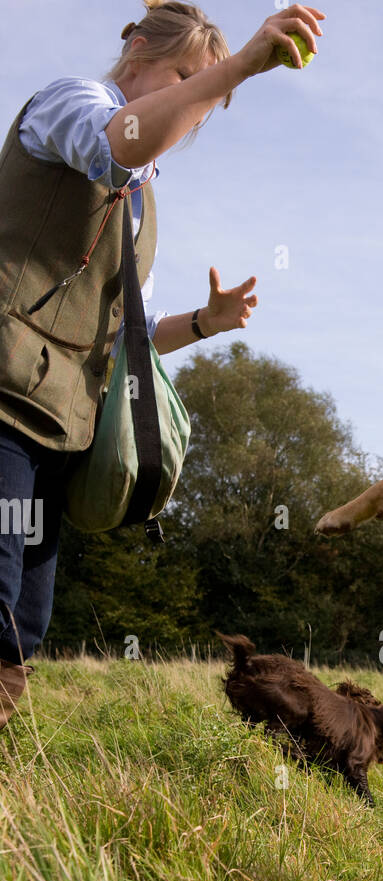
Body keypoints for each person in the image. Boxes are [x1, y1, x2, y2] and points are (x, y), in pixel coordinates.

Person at [0, 1, 325, 728]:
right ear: (138, 51)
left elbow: (123, 340)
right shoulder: (73, 102)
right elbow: (113, 144)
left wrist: (206, 323)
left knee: (24, 623)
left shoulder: (142, 206)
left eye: (211, 104)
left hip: (61, 427)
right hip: (3, 400)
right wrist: (239, 65)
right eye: (189, 81)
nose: (199, 111)